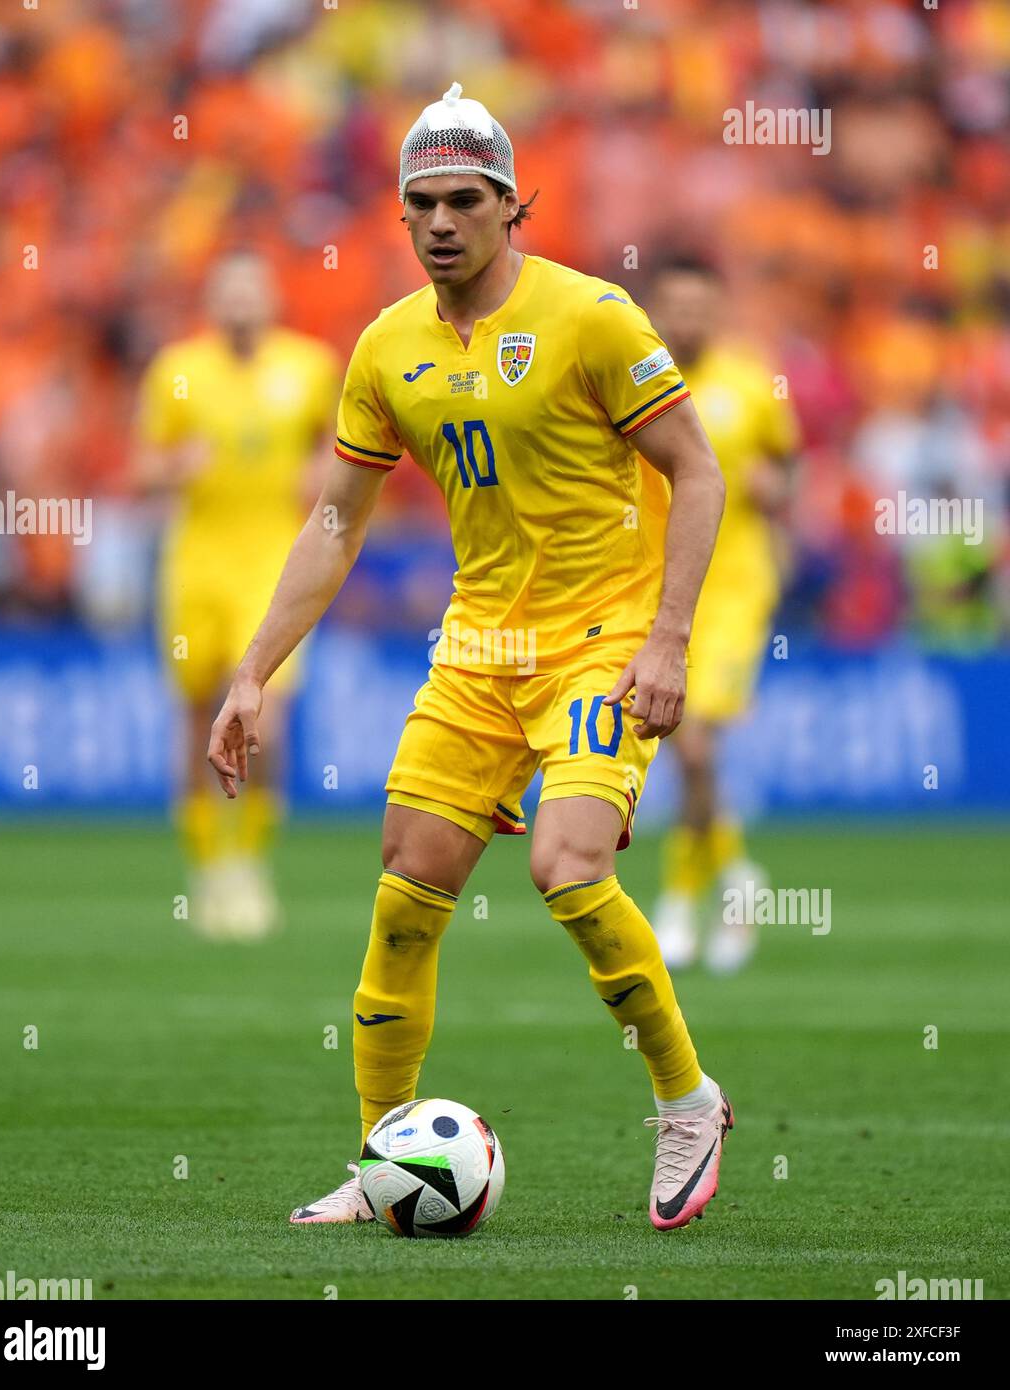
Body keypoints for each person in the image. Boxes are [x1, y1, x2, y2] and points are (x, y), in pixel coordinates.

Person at [208, 84, 731, 1230]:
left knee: (568, 868)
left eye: (464, 200)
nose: (440, 221)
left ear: (510, 206)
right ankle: (380, 1156)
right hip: (477, 651)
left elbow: (700, 469)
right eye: (420, 204)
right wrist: (255, 668)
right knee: (405, 895)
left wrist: (669, 637)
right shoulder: (388, 346)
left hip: (599, 644)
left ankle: (687, 1099)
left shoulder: (594, 318)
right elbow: (336, 520)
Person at [138, 251, 339, 939]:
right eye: (229, 292)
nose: (241, 304)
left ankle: (250, 862)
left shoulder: (308, 367)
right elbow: (143, 466)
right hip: (196, 563)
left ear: (272, 299)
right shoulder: (178, 371)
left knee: (265, 724)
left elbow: (340, 444)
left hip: (273, 564)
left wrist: (319, 469)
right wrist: (174, 466)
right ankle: (207, 868)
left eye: (252, 291)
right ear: (212, 301)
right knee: (197, 721)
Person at [647, 259, 800, 973]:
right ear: (656, 310)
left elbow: (788, 465)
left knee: (696, 742)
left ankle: (679, 901)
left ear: (718, 311)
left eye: (699, 306)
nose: (687, 320)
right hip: (662, 588)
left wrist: (777, 492)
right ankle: (738, 878)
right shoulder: (636, 380)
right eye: (674, 306)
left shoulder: (751, 384)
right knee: (681, 745)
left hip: (736, 588)